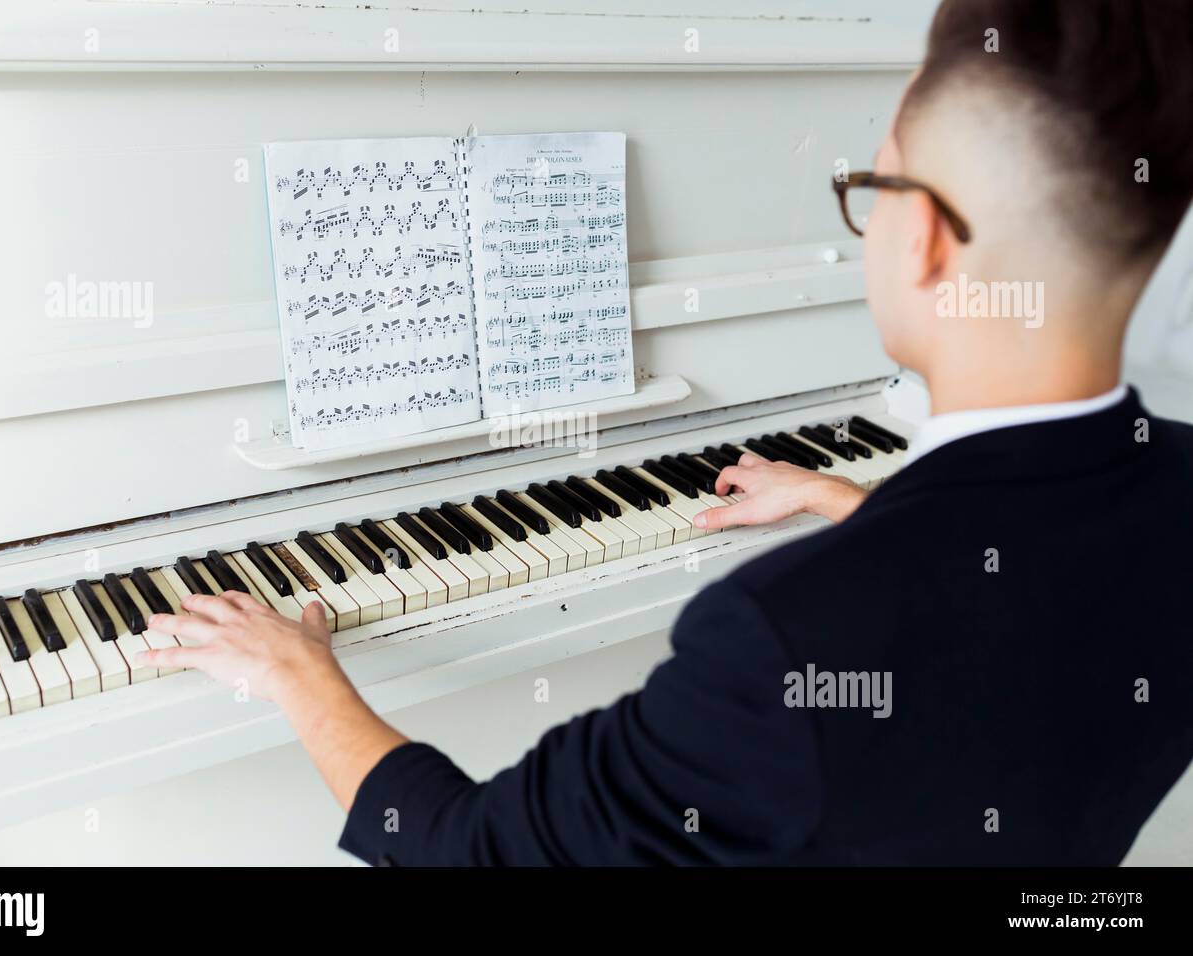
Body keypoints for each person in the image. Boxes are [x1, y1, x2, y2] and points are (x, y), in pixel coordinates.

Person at [139, 0, 1193, 864]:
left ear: (916, 235)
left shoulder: (783, 637)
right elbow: (1007, 596)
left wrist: (295, 671)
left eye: (870, 188)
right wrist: (845, 501)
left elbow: (468, 852)